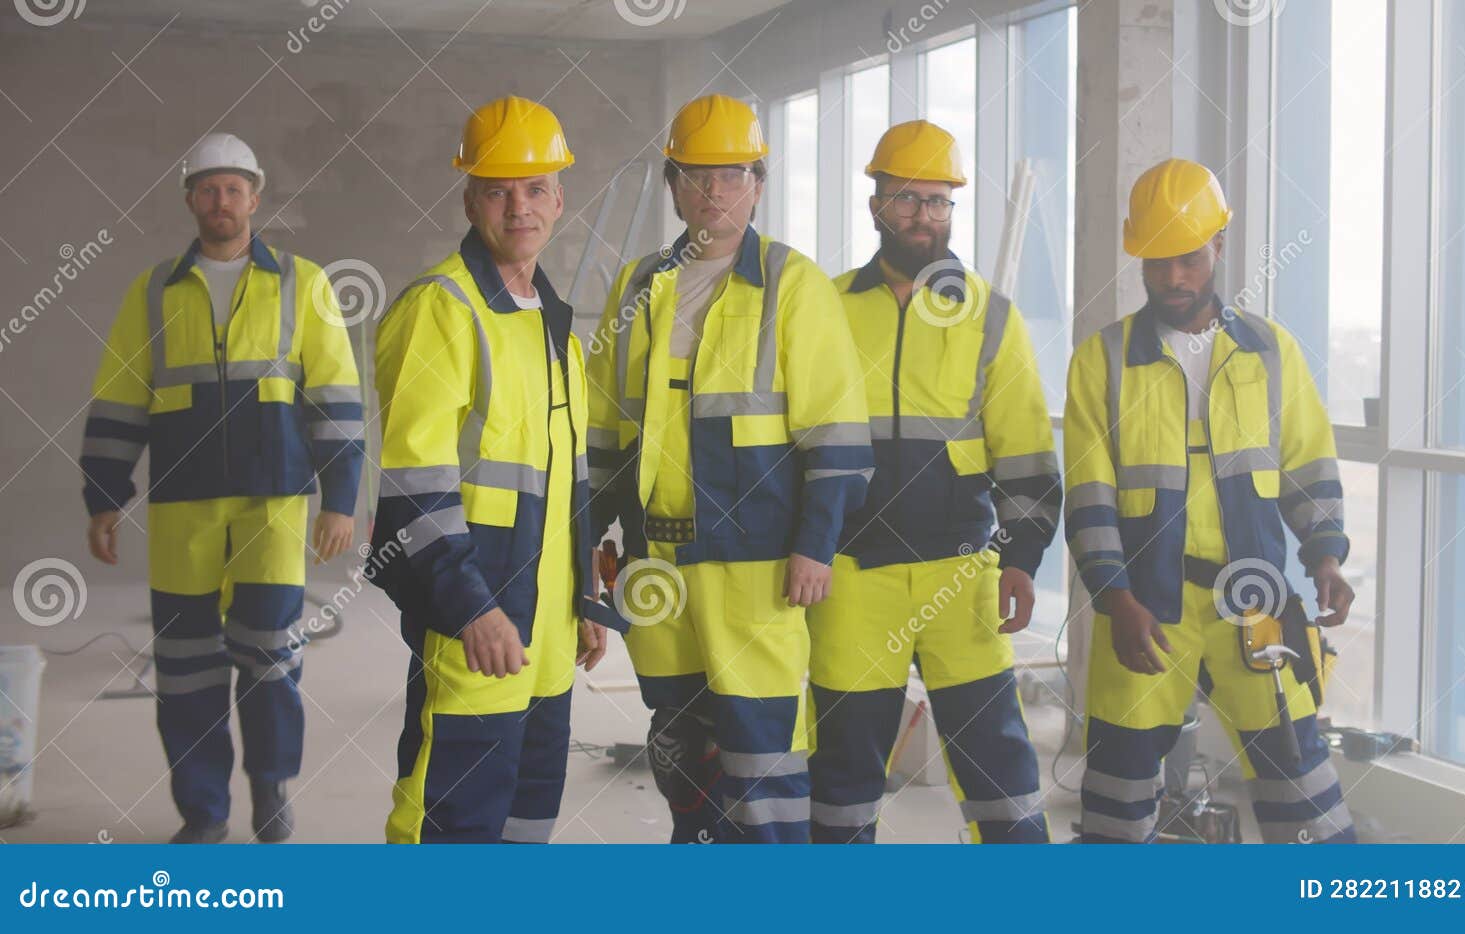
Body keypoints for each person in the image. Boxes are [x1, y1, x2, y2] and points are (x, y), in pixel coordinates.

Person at [586, 93, 873, 843]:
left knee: (762, 748)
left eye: (732, 174)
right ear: (672, 185)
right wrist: (589, 544)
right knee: (680, 742)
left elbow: (837, 434)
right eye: (696, 174)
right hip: (656, 561)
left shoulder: (791, 283)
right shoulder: (639, 285)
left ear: (758, 185)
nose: (713, 190)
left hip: (755, 564)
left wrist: (817, 544)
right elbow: (605, 431)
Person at [1063, 157, 1357, 843]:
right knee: (1117, 798)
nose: (1174, 278)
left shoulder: (1271, 352)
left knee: (1301, 786)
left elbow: (1309, 466)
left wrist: (1326, 557)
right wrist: (1115, 599)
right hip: (1145, 605)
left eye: (1189, 259)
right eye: (1158, 261)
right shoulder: (1102, 361)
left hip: (1256, 601)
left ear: (1218, 246)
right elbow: (1090, 498)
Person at [80, 132, 363, 843]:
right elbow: (120, 396)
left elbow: (335, 394)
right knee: (185, 667)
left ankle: (271, 789)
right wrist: (104, 497)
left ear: (255, 198)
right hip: (183, 504)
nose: (221, 201)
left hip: (275, 503)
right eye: (207, 189)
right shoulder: (154, 291)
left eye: (233, 188)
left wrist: (340, 499)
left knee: (271, 657)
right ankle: (204, 811)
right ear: (190, 200)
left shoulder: (303, 282)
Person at [806, 120, 1061, 844]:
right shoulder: (825, 308)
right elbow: (800, 443)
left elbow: (1025, 452)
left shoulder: (989, 315)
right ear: (876, 205)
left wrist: (1022, 558)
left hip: (962, 575)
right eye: (907, 199)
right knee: (843, 770)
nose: (924, 215)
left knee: (998, 765)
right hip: (851, 578)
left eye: (939, 200)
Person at [369, 96, 610, 844]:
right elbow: (416, 488)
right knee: (450, 826)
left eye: (535, 189)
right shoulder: (443, 308)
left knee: (526, 825)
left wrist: (585, 593)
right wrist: (470, 607)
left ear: (559, 199)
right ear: (470, 201)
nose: (519, 208)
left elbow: (565, 481)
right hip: (479, 620)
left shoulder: (553, 324)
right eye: (498, 191)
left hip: (548, 633)